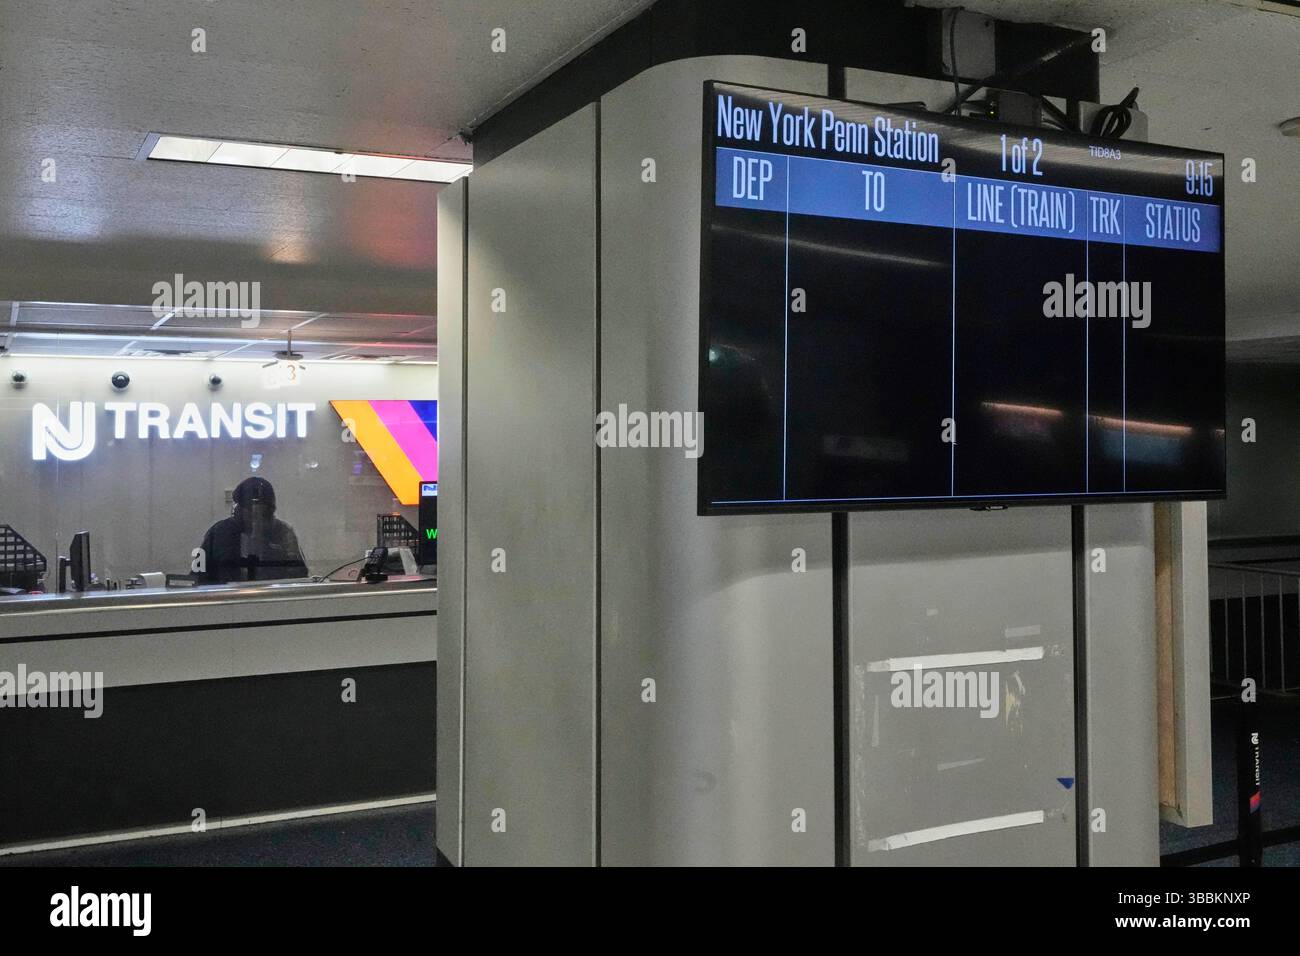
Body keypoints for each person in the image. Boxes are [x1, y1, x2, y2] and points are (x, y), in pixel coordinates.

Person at [197, 477, 309, 584]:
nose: (257, 518)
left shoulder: (283, 533)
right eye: (252, 510)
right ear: (239, 510)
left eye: (263, 512)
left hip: (273, 599)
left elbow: (299, 575)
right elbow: (198, 577)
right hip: (228, 600)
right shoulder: (220, 532)